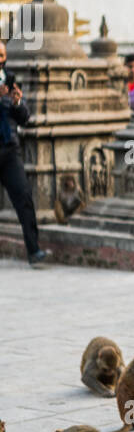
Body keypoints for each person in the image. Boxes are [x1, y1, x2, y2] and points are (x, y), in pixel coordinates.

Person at [0, 39, 48, 266]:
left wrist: (17, 103)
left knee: (24, 197)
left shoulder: (10, 81)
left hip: (9, 150)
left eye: (2, 56)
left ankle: (34, 250)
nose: (0, 60)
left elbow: (25, 118)